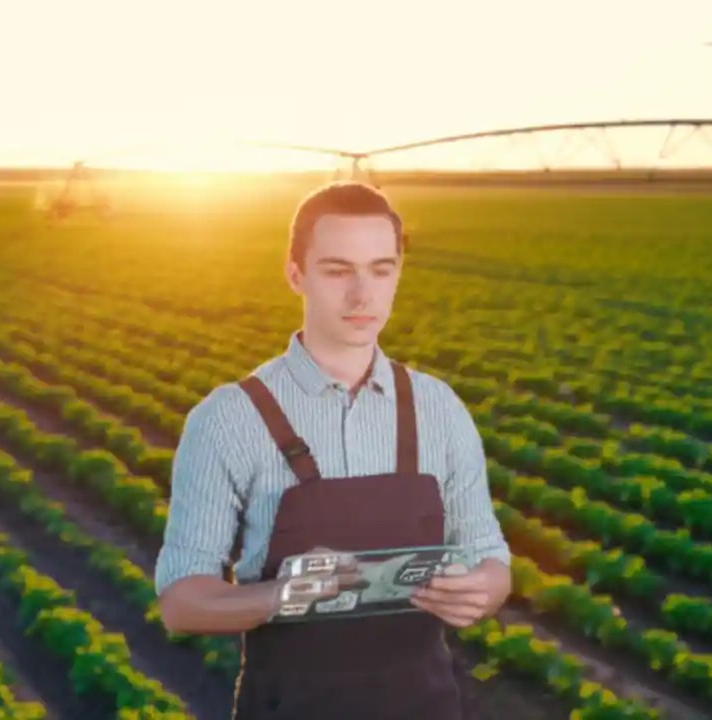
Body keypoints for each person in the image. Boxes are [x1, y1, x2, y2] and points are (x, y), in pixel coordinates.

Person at [154, 181, 512, 720]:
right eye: (338, 270)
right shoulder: (230, 419)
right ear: (296, 275)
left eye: (381, 269)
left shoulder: (439, 409)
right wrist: (280, 597)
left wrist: (482, 589)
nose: (361, 295)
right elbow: (182, 601)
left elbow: (492, 559)